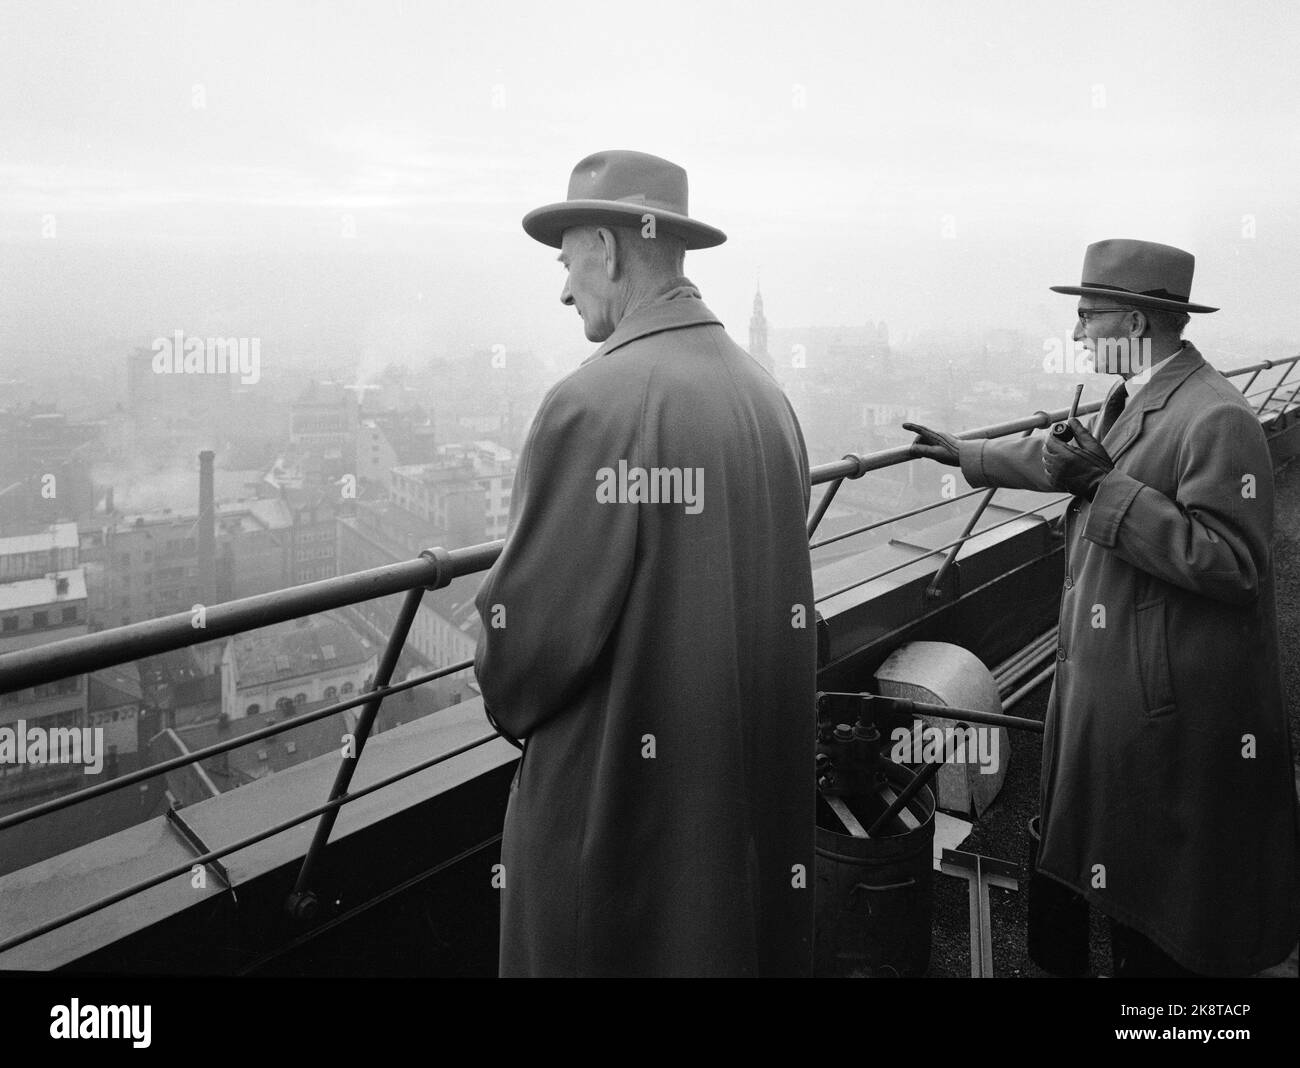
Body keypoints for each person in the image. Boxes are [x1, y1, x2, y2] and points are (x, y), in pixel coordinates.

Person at [906, 239, 1300, 977]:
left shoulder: (1217, 418)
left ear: (1137, 319)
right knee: (1112, 865)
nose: (1079, 333)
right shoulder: (1144, 397)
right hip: (1116, 685)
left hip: (1164, 704)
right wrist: (968, 456)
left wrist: (1106, 488)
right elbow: (1070, 458)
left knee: (1160, 904)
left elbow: (1235, 565)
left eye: (1089, 317)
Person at [473, 150, 816, 976]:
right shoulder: (767, 398)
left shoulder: (592, 405)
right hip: (740, 828)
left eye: (567, 262)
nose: (563, 289)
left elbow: (521, 659)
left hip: (620, 839)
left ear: (610, 248)